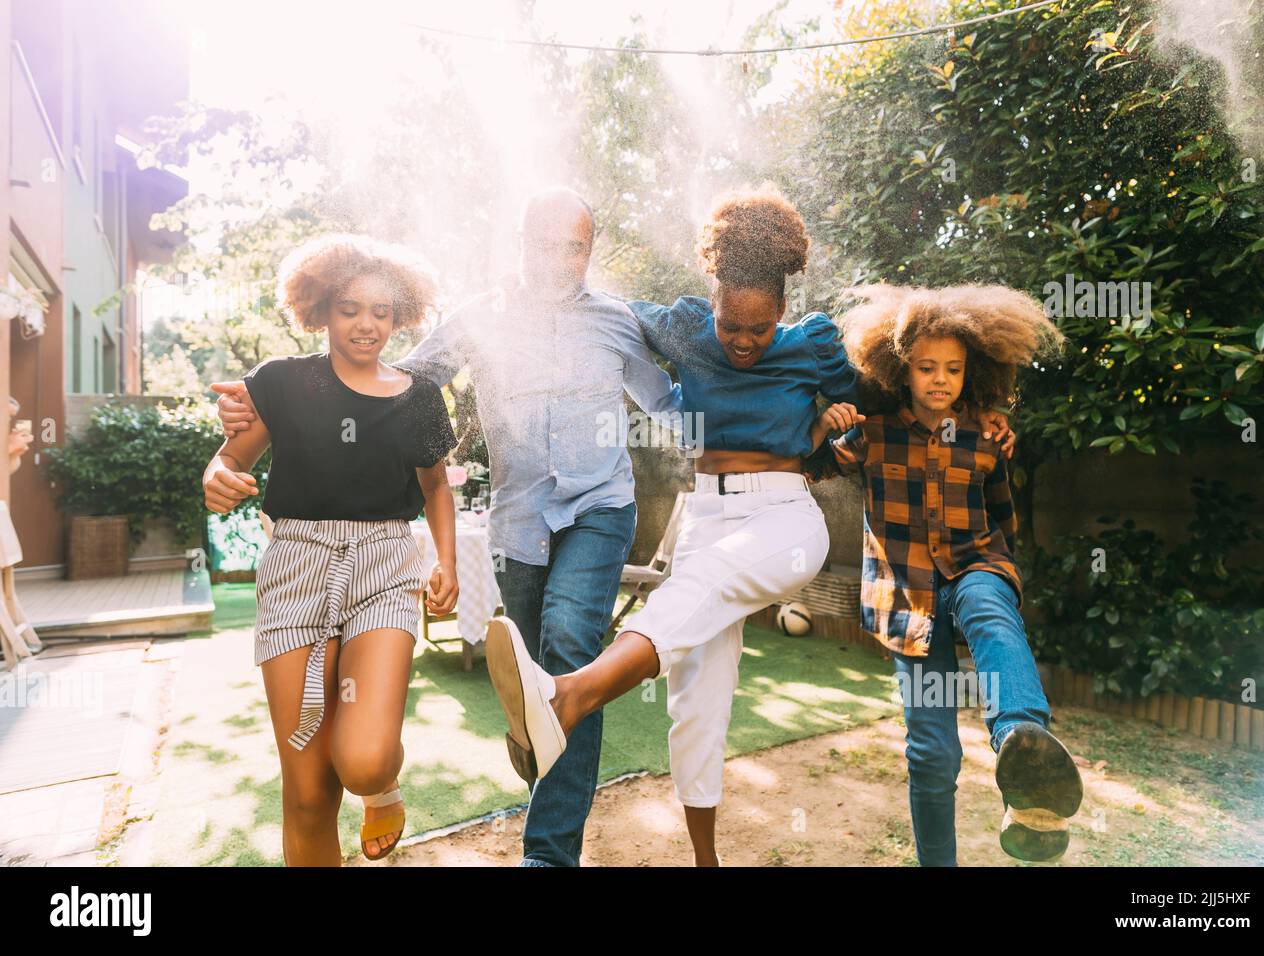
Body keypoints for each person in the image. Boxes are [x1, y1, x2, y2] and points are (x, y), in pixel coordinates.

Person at [482, 184, 1017, 866]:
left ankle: (570, 695)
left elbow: (898, 392)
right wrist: (523, 295)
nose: (742, 342)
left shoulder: (813, 343)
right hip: (706, 513)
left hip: (784, 518)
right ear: (711, 301)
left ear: (782, 311)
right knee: (695, 704)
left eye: (759, 329)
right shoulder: (682, 327)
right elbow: (598, 311)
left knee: (701, 580)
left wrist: (979, 410)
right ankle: (707, 860)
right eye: (730, 325)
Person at [212, 187, 683, 868]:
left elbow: (670, 403)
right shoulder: (481, 318)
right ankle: (533, 746)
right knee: (535, 693)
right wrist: (267, 405)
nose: (560, 259)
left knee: (569, 648)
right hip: (520, 521)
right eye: (546, 244)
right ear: (521, 243)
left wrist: (767, 433)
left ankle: (549, 855)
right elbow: (395, 378)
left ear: (590, 249)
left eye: (574, 247)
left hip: (599, 507)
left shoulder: (618, 321)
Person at [202, 234, 459, 865]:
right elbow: (231, 457)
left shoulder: (420, 396)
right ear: (320, 309)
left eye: (382, 311)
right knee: (309, 795)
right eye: (350, 309)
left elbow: (435, 486)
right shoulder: (283, 382)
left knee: (364, 761)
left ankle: (381, 788)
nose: (366, 324)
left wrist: (446, 561)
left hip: (384, 567)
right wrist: (217, 476)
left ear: (401, 316)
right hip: (297, 568)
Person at [813, 281, 1081, 865]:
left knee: (990, 610)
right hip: (905, 596)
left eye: (954, 369)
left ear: (972, 373)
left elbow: (1003, 518)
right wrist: (824, 423)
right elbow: (813, 466)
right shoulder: (873, 433)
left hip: (975, 565)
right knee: (932, 756)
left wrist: (998, 574)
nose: (940, 379)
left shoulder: (984, 436)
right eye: (926, 367)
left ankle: (1022, 744)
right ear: (899, 371)